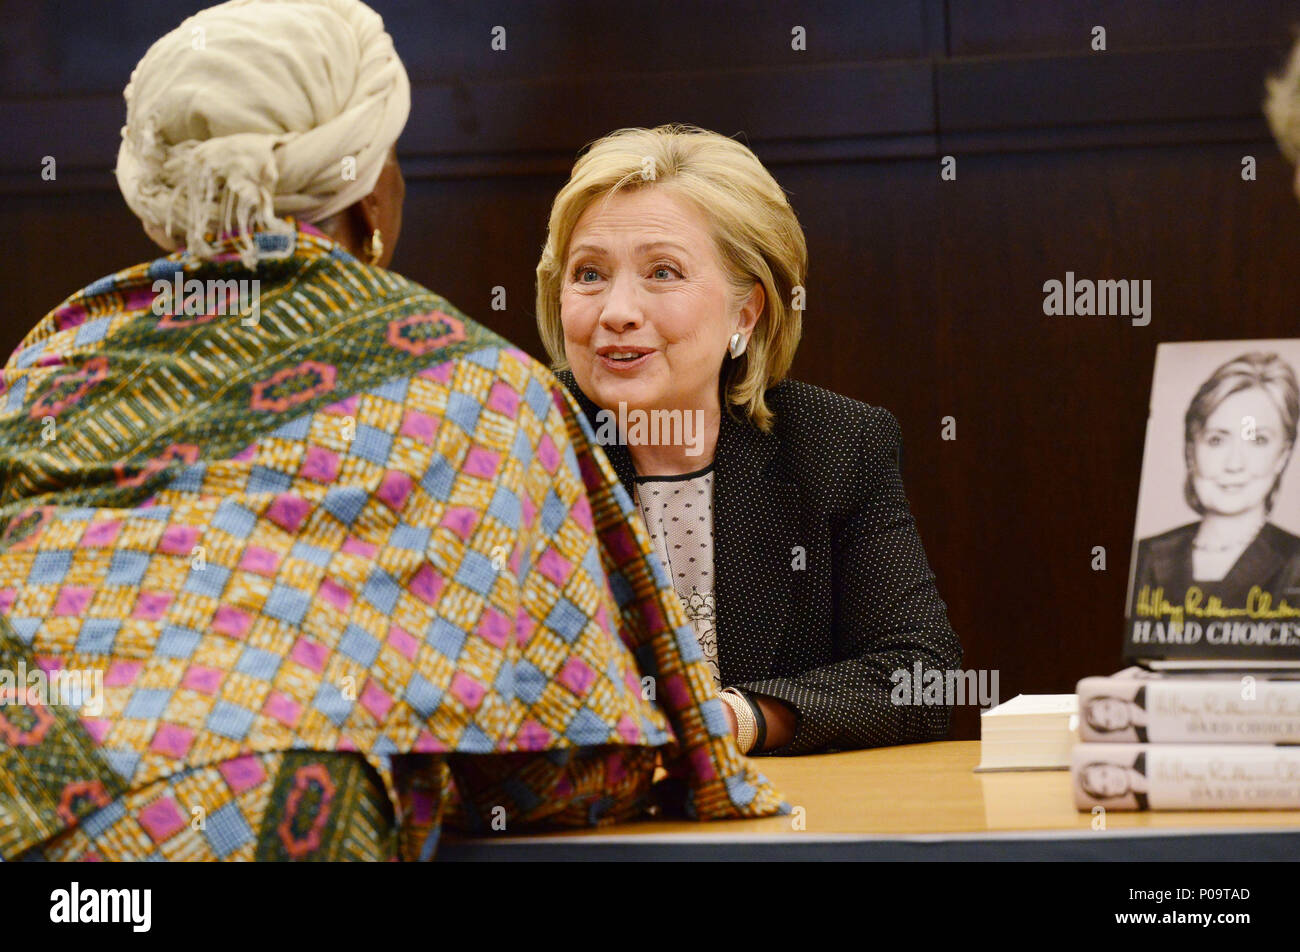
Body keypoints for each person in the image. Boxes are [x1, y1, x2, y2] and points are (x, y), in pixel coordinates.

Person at [0, 0, 783, 863]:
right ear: (371, 187)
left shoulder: (43, 366)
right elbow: (561, 771)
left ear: (159, 196)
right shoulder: (476, 391)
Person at [534, 124, 962, 755]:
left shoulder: (835, 445)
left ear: (747, 312)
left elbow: (923, 678)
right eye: (589, 274)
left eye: (662, 272)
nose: (616, 311)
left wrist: (739, 719)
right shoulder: (513, 439)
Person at [1131, 352, 1300, 610]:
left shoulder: (1295, 563)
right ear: (1191, 451)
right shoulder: (1143, 556)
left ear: (1282, 456)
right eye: (1217, 440)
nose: (1234, 464)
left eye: (1258, 440)